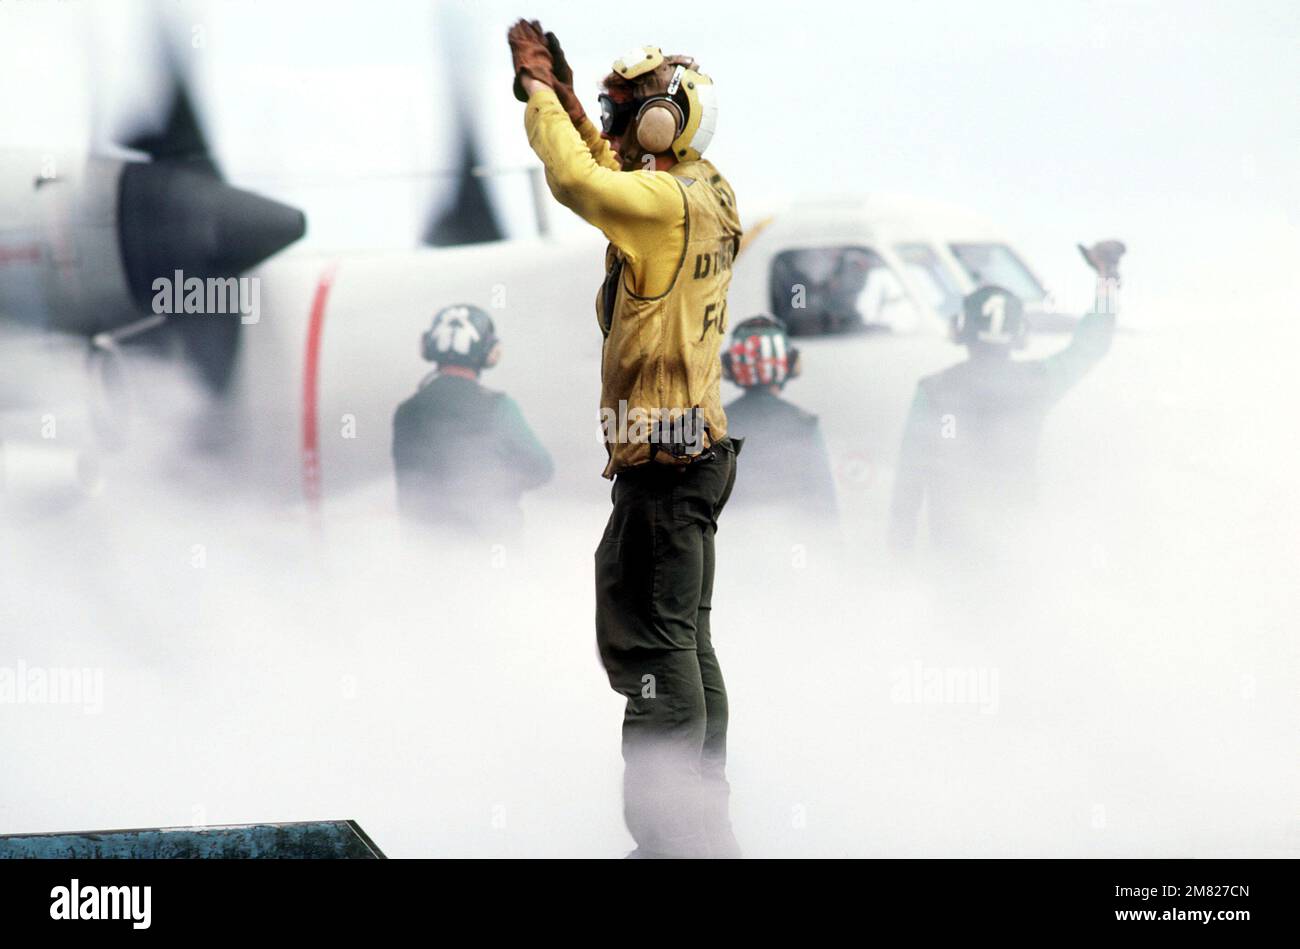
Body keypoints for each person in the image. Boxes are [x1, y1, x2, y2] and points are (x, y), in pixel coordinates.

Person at [508, 21, 744, 857]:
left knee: (651, 642)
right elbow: (611, 172)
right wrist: (578, 106)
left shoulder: (660, 204)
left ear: (663, 124)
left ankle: (671, 834)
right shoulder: (705, 190)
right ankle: (703, 819)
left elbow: (578, 182)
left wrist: (539, 99)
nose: (613, 129)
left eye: (625, 113)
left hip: (664, 466)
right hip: (698, 458)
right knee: (686, 639)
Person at [887, 241, 1124, 558]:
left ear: (961, 330)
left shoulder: (933, 391)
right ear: (1019, 333)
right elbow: (1091, 345)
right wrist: (1106, 281)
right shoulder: (1038, 381)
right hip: (1017, 545)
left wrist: (897, 561)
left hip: (952, 548)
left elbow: (909, 481)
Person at [391, 303, 552, 534]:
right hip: (491, 545)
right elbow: (541, 468)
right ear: (489, 352)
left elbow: (410, 487)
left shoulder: (407, 412)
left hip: (425, 550)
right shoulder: (499, 408)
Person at [722, 315, 838, 520]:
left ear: (730, 367)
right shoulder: (805, 425)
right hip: (793, 543)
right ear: (790, 364)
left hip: (732, 544)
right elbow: (824, 505)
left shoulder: (716, 425)